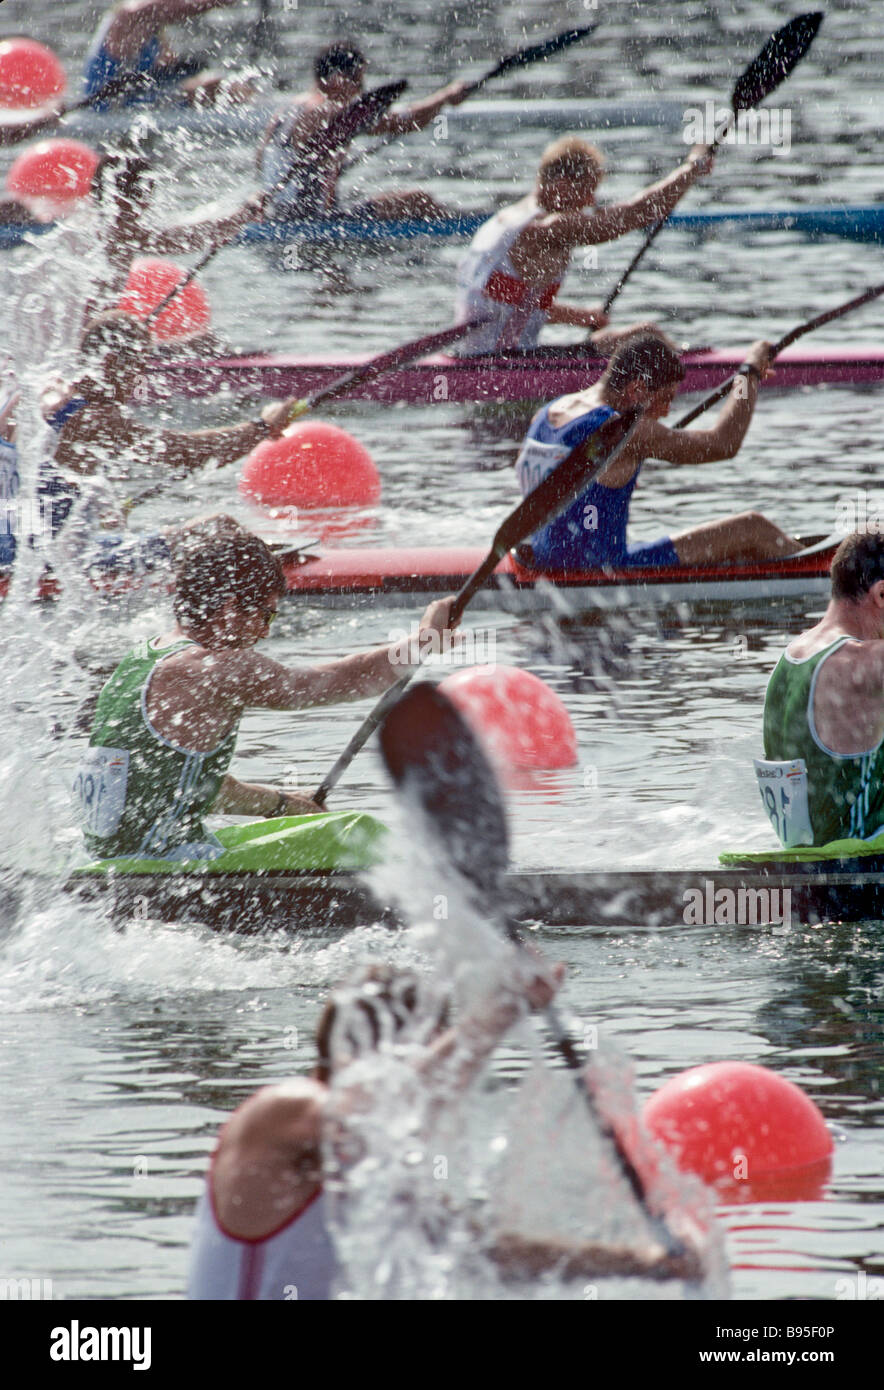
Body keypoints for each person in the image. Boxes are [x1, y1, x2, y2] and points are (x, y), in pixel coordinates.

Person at [187, 961, 699, 1298]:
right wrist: (495, 1017)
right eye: (430, 1051)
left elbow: (485, 1254)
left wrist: (644, 1262)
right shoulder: (278, 1114)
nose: (447, 1080)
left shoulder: (378, 1169)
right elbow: (388, 1104)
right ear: (368, 1051)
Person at [72, 524, 461, 859]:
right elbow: (327, 683)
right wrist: (421, 643)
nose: (265, 632)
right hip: (166, 862)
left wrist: (284, 804)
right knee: (358, 833)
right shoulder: (219, 667)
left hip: (109, 859)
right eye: (267, 614)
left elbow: (198, 788)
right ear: (229, 608)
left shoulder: (140, 658)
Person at [515, 328, 801, 572]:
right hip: (600, 567)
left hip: (545, 559)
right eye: (664, 399)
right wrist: (749, 372)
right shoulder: (630, 431)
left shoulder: (547, 413)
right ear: (637, 390)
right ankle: (823, 583)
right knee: (752, 528)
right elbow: (723, 445)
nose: (665, 413)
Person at [37, 309, 303, 568]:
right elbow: (190, 452)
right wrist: (262, 426)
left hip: (33, 546)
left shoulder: (50, 394)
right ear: (109, 364)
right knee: (220, 527)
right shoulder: (95, 420)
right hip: (55, 560)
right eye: (137, 369)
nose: (138, 381)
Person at [454, 136, 715, 356]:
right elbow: (632, 215)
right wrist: (691, 169)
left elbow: (507, 303)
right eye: (588, 190)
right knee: (648, 337)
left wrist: (581, 317)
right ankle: (691, 372)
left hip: (476, 354)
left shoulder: (502, 220)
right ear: (561, 185)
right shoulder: (545, 229)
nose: (591, 201)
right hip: (504, 363)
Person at [760, 531, 884, 848]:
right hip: (859, 864)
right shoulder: (861, 663)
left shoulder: (792, 656)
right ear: (881, 595)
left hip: (804, 858)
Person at [257, 41, 469, 220]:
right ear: (337, 79)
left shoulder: (286, 110)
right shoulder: (328, 111)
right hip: (312, 220)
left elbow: (260, 163)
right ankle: (463, 229)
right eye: (358, 81)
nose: (362, 91)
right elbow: (406, 122)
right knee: (419, 201)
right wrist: (445, 97)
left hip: (277, 214)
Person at [90, 152, 265, 283]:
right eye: (146, 196)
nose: (148, 205)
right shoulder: (119, 233)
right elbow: (188, 238)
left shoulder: (87, 224)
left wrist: (238, 216)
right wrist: (245, 214)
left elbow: (188, 226)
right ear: (122, 200)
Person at [83, 0, 248, 108]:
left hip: (147, 104)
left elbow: (164, 72)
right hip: (109, 110)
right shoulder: (129, 15)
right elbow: (182, 6)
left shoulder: (153, 27)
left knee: (227, 86)